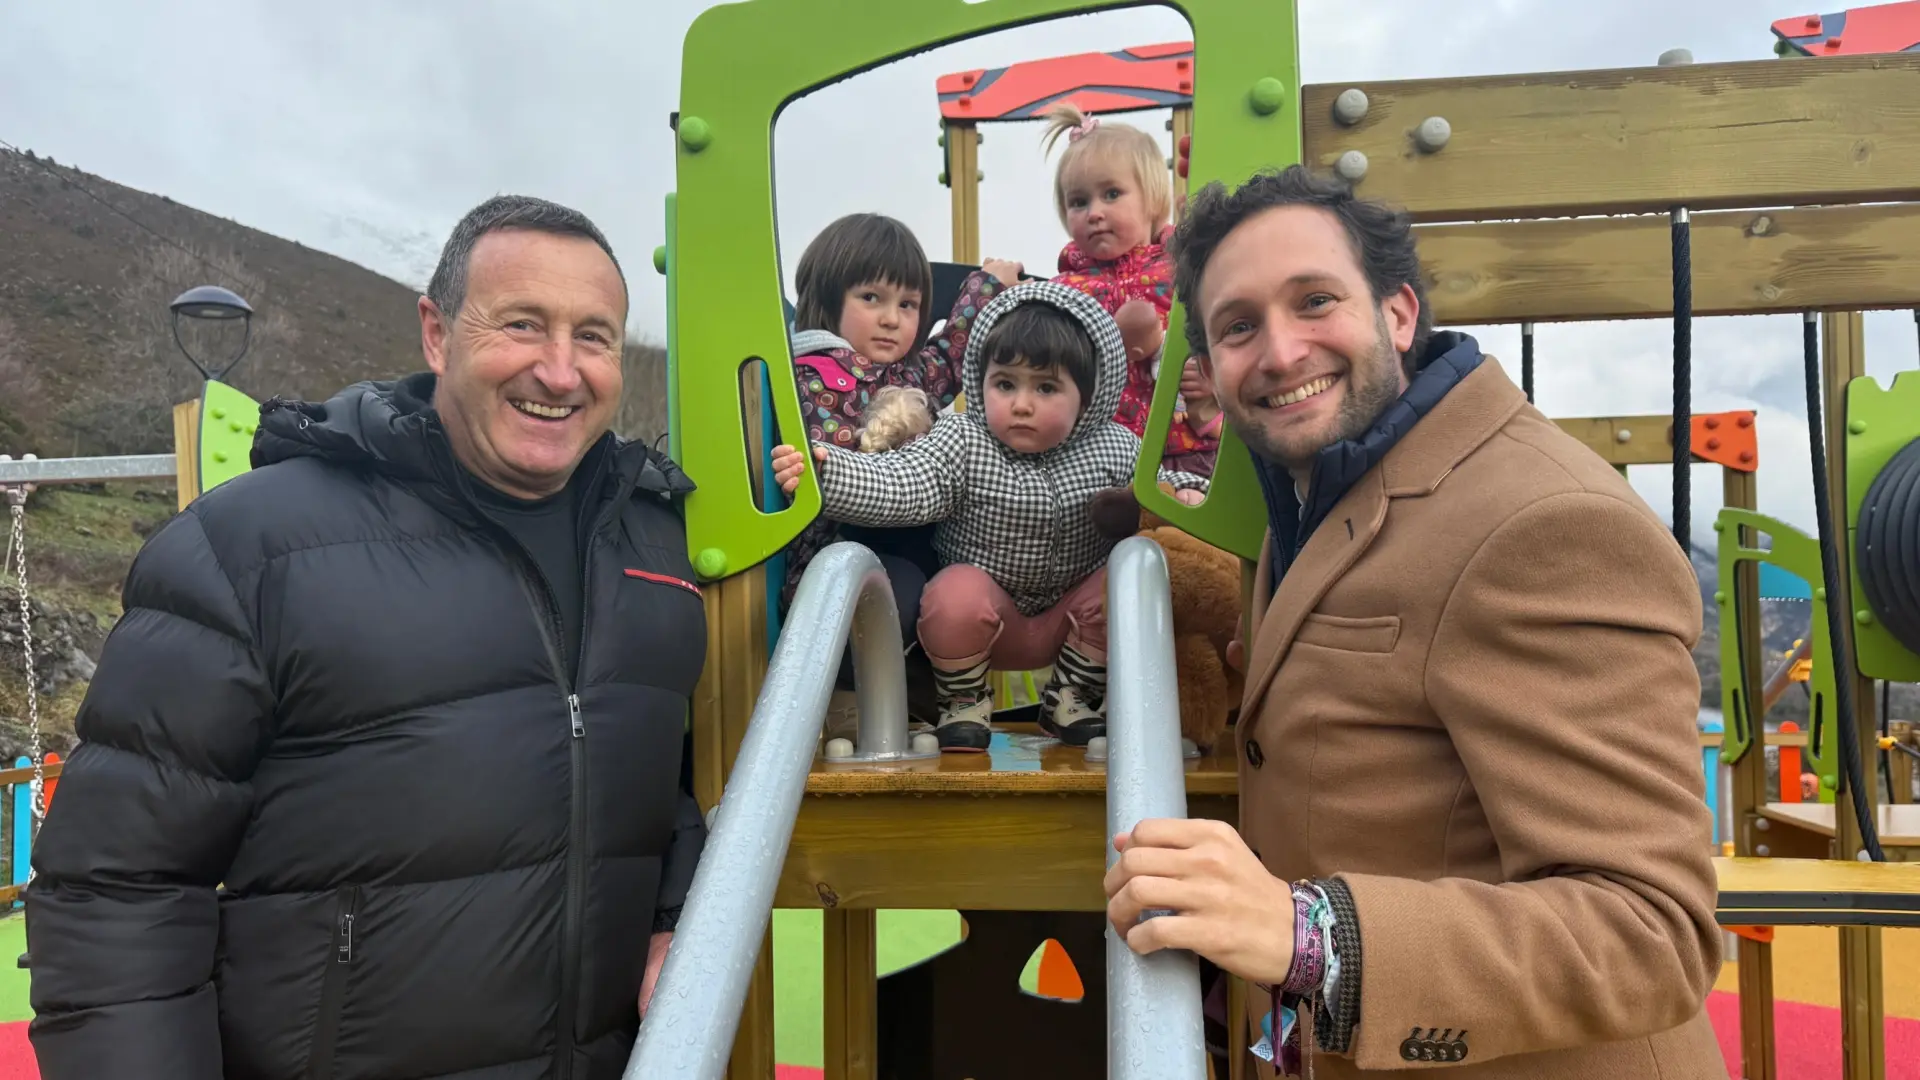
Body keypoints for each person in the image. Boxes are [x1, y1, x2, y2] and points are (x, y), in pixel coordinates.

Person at [25, 194, 708, 1080]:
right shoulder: (252, 550)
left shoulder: (656, 550)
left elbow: (673, 779)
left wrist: (675, 911)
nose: (560, 370)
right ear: (437, 332)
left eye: (594, 336)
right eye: (523, 325)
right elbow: (118, 885)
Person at [1103, 165, 1725, 1078]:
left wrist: (1306, 935)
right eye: (1240, 326)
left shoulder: (1545, 522)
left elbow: (1650, 932)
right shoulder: (1313, 499)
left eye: (1315, 300)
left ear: (1399, 313)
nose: (1279, 352)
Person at [771, 281, 1208, 751]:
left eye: (1046, 387)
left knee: (1125, 576)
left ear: (1090, 394)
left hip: (1072, 622)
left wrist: (1186, 495)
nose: (1021, 404)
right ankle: (964, 702)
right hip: (983, 619)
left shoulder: (1115, 447)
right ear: (981, 381)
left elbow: (1158, 485)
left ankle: (1072, 697)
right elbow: (903, 481)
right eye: (1005, 384)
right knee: (954, 591)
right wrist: (827, 473)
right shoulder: (963, 440)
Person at [776, 212, 1011, 724]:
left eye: (908, 305)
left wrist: (988, 284)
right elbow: (831, 460)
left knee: (958, 582)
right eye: (872, 299)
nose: (892, 319)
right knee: (894, 588)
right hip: (844, 546)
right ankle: (843, 703)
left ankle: (937, 700)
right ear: (829, 296)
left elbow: (953, 351)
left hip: (916, 539)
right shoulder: (811, 374)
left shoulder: (911, 372)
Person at [999, 102, 1222, 476]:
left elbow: (1220, 324)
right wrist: (1003, 292)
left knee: (1185, 516)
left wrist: (1206, 371)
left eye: (1112, 194)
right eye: (1079, 202)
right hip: (1100, 453)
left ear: (1152, 199)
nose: (1094, 212)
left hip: (1186, 439)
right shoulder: (1065, 291)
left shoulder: (1181, 267)